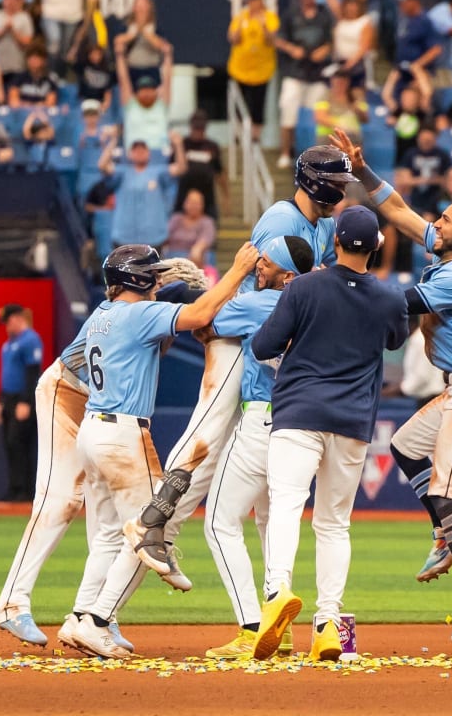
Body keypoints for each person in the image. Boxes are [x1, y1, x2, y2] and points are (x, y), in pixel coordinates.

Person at [114, 147, 361, 601]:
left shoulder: (323, 226)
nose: (342, 192)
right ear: (315, 182)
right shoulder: (281, 221)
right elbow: (259, 283)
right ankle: (154, 523)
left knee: (250, 492)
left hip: (257, 332)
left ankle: (260, 600)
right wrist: (210, 321)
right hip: (237, 332)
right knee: (204, 436)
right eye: (338, 184)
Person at [335, 131, 452, 645]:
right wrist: (362, 172)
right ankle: (442, 534)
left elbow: (396, 304)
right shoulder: (448, 251)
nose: (438, 223)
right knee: (405, 446)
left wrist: (342, 280)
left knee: (446, 490)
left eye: (448, 220)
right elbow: (398, 211)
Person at [55, 242, 259, 658]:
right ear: (137, 278)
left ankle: (78, 616)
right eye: (152, 274)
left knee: (109, 536)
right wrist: (238, 271)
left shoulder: (100, 314)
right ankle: (97, 623)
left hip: (92, 429)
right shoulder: (140, 314)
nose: (158, 279)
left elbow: (74, 362)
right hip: (122, 434)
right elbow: (200, 315)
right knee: (150, 531)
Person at [249, 207, 410, 661]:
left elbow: (262, 346)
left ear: (334, 241)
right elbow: (396, 340)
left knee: (286, 505)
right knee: (334, 524)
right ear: (376, 246)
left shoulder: (303, 287)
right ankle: (327, 624)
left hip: (299, 411)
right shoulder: (390, 298)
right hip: (352, 420)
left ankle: (277, 591)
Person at [199, 236, 316, 659]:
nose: (258, 267)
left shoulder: (258, 303)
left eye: (266, 263)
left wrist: (234, 275)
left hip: (260, 418)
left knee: (219, 522)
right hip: (298, 422)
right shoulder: (314, 304)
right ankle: (278, 628)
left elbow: (204, 323)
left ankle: (252, 627)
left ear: (288, 275)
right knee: (270, 523)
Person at [274, 0, 334, 166]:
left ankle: (315, 156)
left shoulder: (324, 15)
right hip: (295, 71)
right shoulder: (291, 14)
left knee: (317, 117)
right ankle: (285, 152)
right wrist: (292, 49)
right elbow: (278, 39)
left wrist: (324, 50)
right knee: (288, 113)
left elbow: (332, 40)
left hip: (317, 73)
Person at [98, 135, 186, 250]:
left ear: (149, 153)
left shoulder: (158, 172)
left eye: (143, 150)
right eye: (136, 150)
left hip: (153, 236)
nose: (139, 153)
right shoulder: (122, 172)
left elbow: (181, 168)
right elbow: (102, 165)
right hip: (124, 235)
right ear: (129, 154)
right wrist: (113, 141)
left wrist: (178, 144)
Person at [0, 305, 44, 503]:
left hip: (22, 398)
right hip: (8, 398)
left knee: (20, 442)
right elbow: (7, 375)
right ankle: (14, 488)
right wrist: (0, 401)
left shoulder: (30, 340)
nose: (6, 326)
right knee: (9, 443)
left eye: (7, 321)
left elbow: (33, 373)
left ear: (16, 318)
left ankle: (25, 490)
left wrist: (26, 401)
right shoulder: (9, 344)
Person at [227, 0, 278, 142]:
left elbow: (271, 40)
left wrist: (263, 25)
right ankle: (238, 132)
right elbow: (233, 39)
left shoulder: (269, 17)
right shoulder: (241, 17)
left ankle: (255, 136)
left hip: (261, 70)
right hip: (241, 69)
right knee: (240, 103)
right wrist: (240, 26)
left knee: (258, 105)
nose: (253, 3)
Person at [173, 110, 228, 222]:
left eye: (201, 129)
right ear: (191, 127)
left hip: (207, 198)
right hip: (184, 197)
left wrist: (226, 195)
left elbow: (219, 172)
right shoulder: (182, 144)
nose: (198, 132)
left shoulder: (212, 146)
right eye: (196, 128)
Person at [163, 189, 216, 266]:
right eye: (191, 202)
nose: (193, 206)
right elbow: (164, 235)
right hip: (173, 256)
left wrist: (197, 249)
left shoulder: (207, 221)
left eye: (196, 203)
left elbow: (206, 238)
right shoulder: (176, 218)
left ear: (202, 205)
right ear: (185, 203)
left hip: (197, 258)